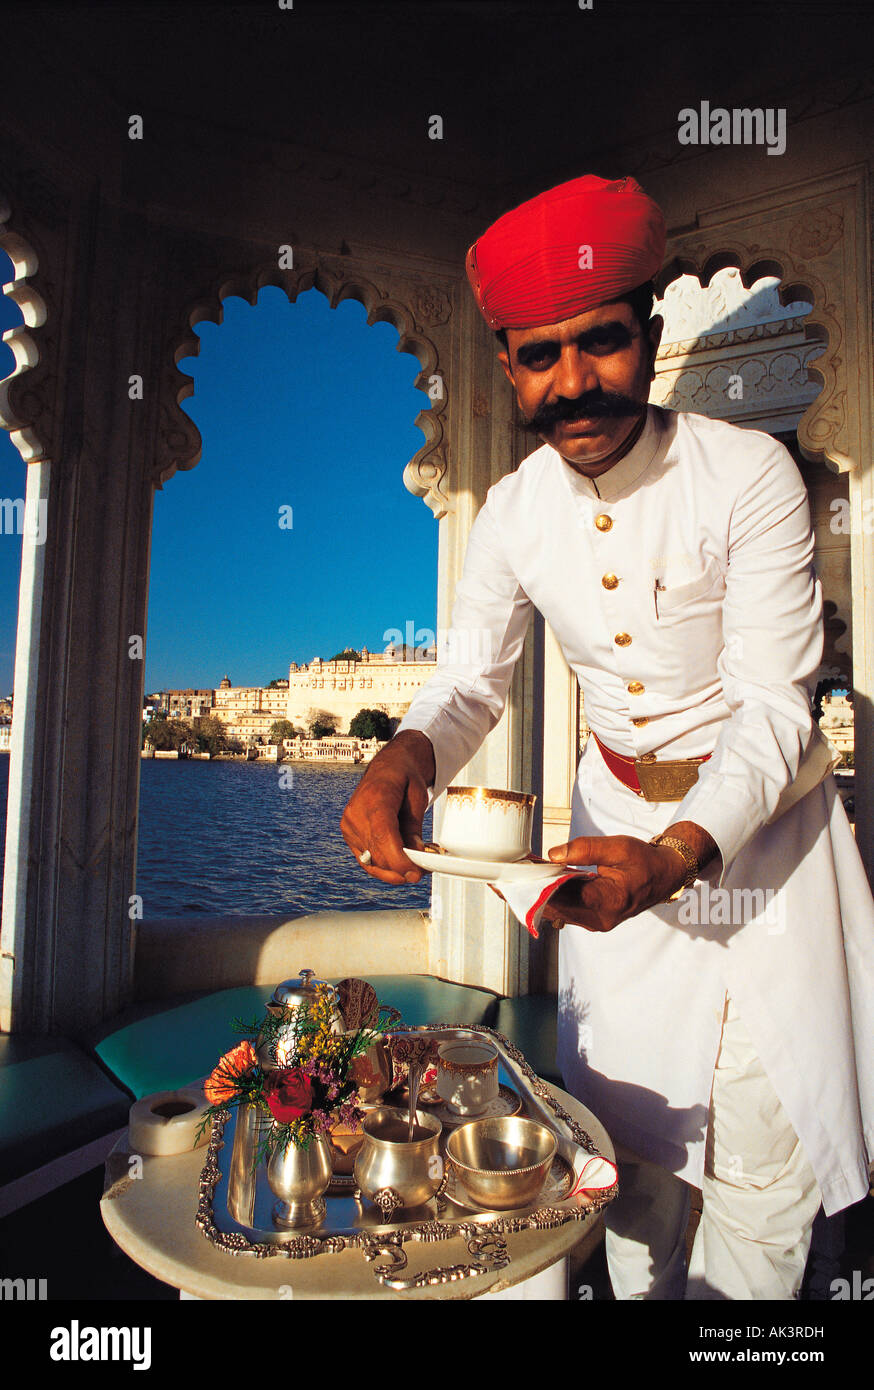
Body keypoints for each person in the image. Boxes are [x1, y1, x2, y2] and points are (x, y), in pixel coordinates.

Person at [340, 174, 874, 1300]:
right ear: (503, 359)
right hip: (606, 864)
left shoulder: (748, 475)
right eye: (540, 356)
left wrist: (678, 856)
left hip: (763, 865)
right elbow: (471, 681)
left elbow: (778, 708)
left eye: (602, 344)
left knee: (758, 1188)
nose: (573, 384)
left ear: (651, 332)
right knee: (625, 1179)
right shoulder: (514, 513)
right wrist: (402, 758)